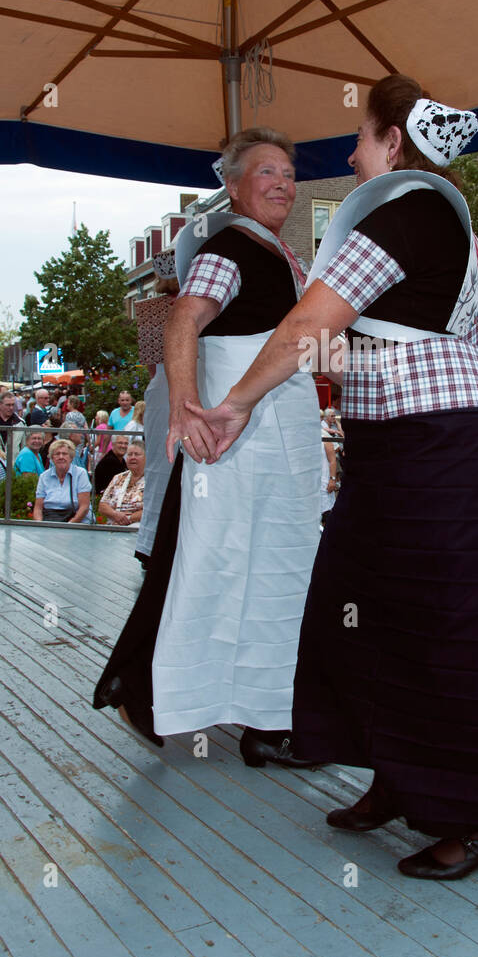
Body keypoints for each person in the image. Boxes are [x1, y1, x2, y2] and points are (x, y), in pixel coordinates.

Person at [191, 76, 478, 880]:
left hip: (441, 449)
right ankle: (401, 776)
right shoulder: (437, 224)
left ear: (395, 144)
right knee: (367, 611)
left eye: (362, 137)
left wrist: (233, 402)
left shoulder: (409, 212)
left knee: (453, 627)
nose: (349, 152)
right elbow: (351, 341)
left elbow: (312, 326)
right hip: (400, 447)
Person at [94, 127, 322, 763]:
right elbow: (185, 317)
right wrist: (188, 409)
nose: (283, 183)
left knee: (231, 563)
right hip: (241, 435)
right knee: (215, 560)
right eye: (266, 172)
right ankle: (159, 688)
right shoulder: (230, 244)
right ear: (232, 185)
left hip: (265, 436)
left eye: (288, 172)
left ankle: (252, 707)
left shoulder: (272, 249)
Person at [133, 251, 179, 565]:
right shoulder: (195, 304)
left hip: (161, 391)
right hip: (188, 386)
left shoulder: (149, 310)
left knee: (159, 466)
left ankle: (150, 542)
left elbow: (152, 368)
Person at [32, 439, 92, 523]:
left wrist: (69, 525)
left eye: (64, 454)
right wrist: (40, 525)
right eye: (57, 454)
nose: (61, 457)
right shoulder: (44, 476)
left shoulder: (80, 474)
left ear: (71, 457)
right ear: (52, 458)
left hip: (76, 520)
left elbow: (84, 506)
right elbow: (38, 508)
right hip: (51, 519)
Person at [98, 441, 145, 527]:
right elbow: (102, 506)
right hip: (114, 523)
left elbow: (153, 510)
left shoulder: (152, 480)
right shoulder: (118, 478)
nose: (132, 457)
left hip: (138, 526)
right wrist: (115, 515)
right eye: (130, 454)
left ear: (146, 457)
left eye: (137, 454)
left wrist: (128, 518)